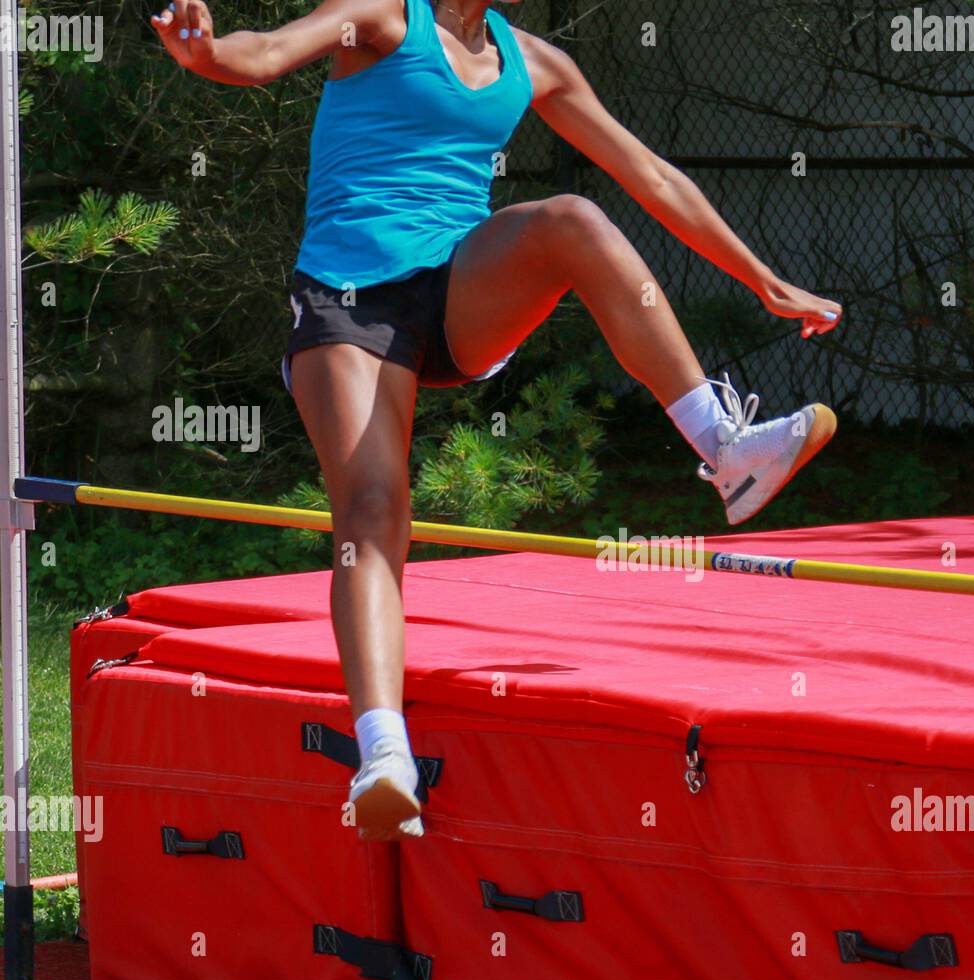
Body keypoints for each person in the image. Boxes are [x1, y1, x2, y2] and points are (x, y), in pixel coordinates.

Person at [152, 0, 842, 840]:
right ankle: (382, 755)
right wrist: (206, 53)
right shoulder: (378, 19)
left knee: (574, 220)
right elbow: (263, 54)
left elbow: (652, 177)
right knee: (372, 515)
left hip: (455, 295)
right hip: (347, 302)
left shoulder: (536, 64)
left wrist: (762, 279)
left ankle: (724, 448)